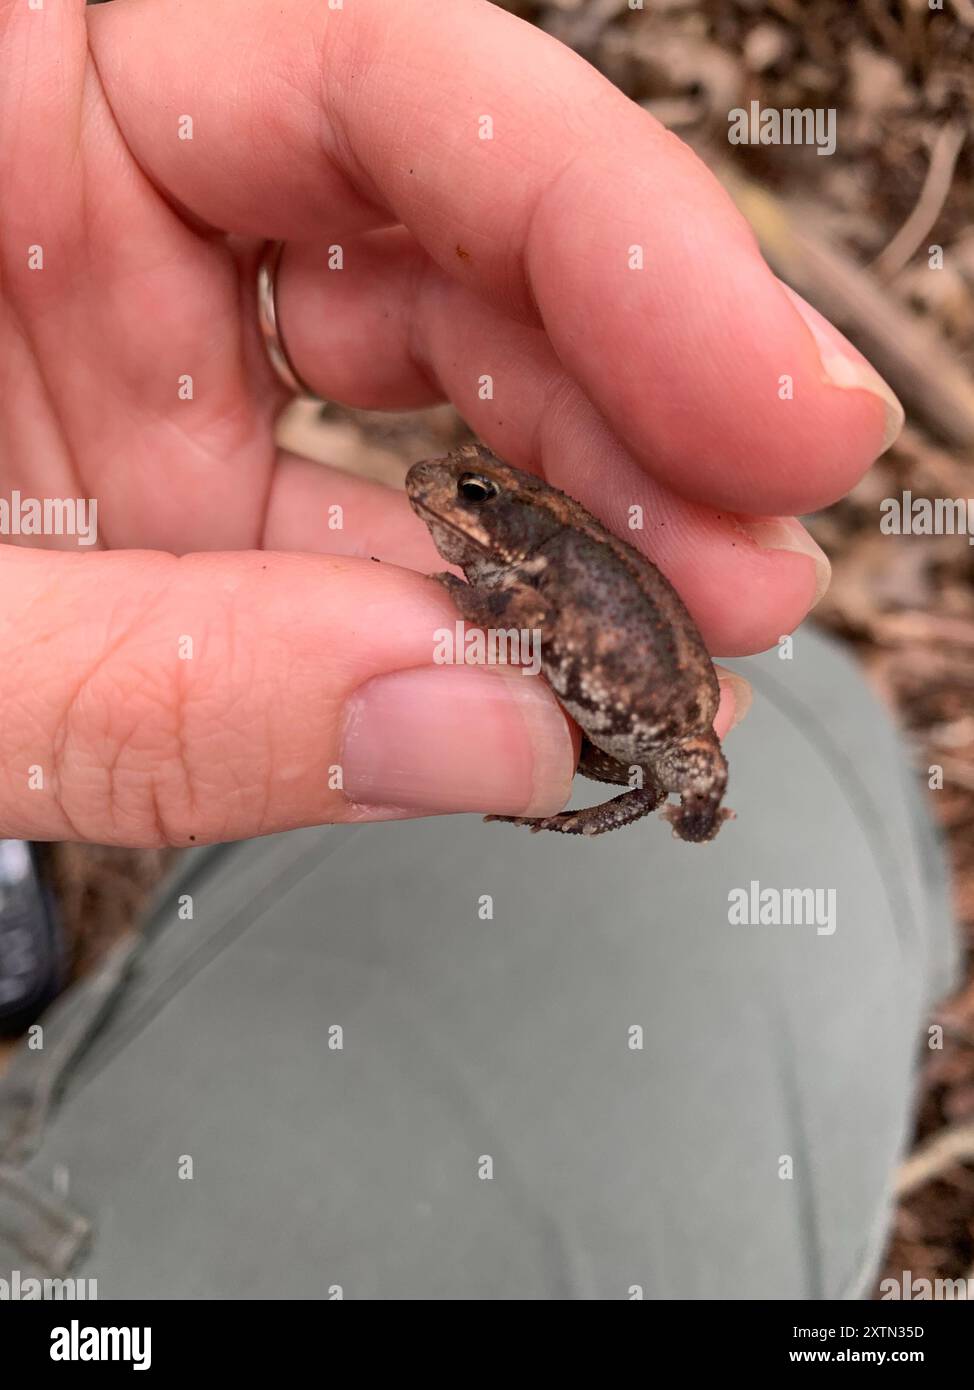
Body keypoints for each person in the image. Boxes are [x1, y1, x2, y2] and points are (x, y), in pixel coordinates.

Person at [0, 0, 954, 1299]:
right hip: (651, 703)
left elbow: (541, 602)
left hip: (656, 708)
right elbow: (517, 596)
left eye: (467, 498)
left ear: (505, 519)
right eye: (454, 499)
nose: (446, 506)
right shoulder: (514, 557)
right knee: (808, 723)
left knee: (788, 717)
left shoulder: (527, 561)